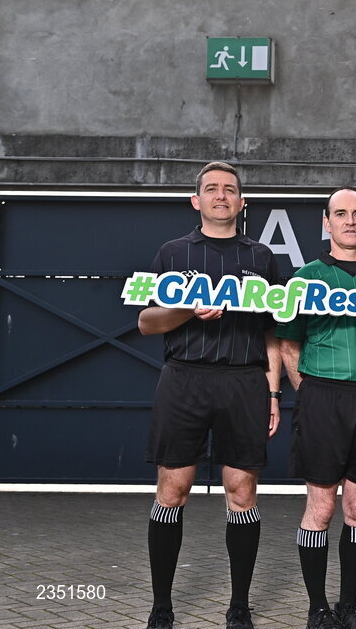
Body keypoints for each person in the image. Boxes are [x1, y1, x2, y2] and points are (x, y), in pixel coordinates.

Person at [138, 161, 282, 629]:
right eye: (212, 189)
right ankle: (162, 607)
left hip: (243, 381)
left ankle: (239, 606)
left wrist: (274, 393)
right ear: (195, 200)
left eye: (230, 190)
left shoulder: (261, 258)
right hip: (184, 378)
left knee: (241, 492)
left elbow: (272, 334)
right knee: (172, 489)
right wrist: (184, 309)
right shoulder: (172, 253)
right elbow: (146, 322)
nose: (222, 195)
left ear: (241, 203)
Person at [277, 188, 356, 629]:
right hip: (322, 398)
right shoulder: (305, 278)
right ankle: (318, 609)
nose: (350, 221)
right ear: (326, 223)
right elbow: (288, 344)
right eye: (341, 214)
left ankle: (349, 606)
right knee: (321, 508)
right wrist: (307, 393)